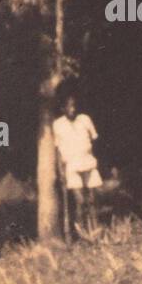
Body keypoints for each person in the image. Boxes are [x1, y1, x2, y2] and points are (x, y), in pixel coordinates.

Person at [52, 95, 100, 236]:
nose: (72, 109)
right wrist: (60, 171)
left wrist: (93, 158)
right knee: (80, 201)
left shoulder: (85, 119)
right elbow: (57, 150)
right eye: (69, 106)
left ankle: (95, 231)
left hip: (88, 162)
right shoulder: (58, 124)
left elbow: (94, 140)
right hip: (72, 165)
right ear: (63, 108)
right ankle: (82, 234)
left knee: (91, 200)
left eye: (74, 106)